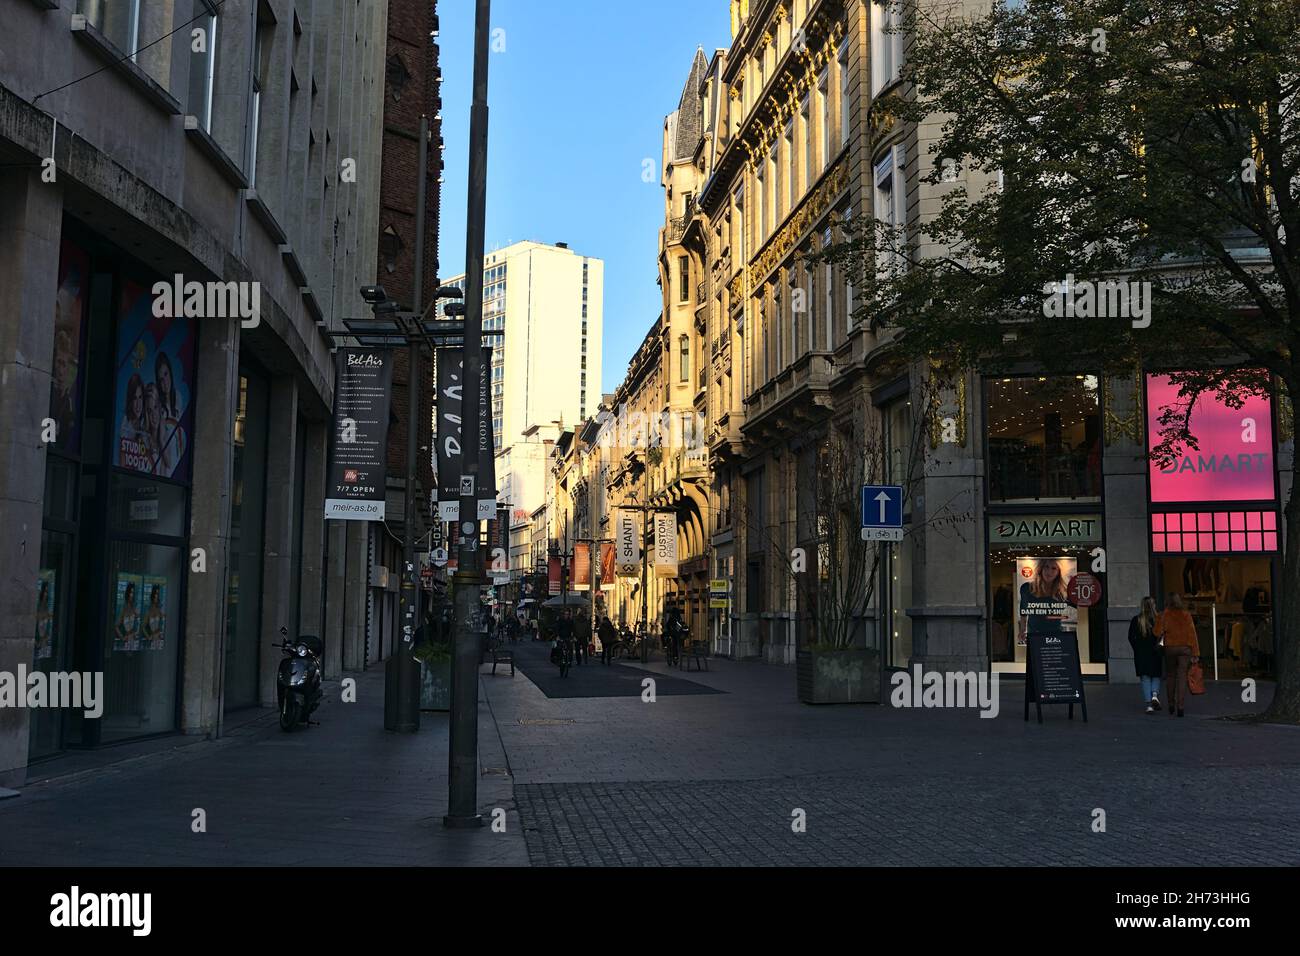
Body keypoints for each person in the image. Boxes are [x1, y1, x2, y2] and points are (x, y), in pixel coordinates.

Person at [1155, 593, 1200, 718]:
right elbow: (1192, 634)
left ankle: (1170, 704)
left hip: (1170, 648)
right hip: (1185, 648)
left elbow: (1156, 632)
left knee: (1170, 675)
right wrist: (1195, 652)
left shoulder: (1164, 615)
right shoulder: (1186, 615)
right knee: (1182, 676)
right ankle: (1181, 706)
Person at [1127, 596, 1163, 713]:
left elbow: (1131, 637)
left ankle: (1149, 704)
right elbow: (1163, 635)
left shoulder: (1136, 620)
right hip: (1155, 651)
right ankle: (1154, 695)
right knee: (1156, 675)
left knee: (1145, 677)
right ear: (1153, 606)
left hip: (1141, 653)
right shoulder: (1158, 619)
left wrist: (1137, 648)